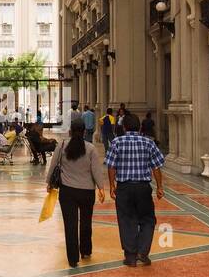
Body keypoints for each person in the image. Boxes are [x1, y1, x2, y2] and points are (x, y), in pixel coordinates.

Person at [105, 112, 166, 267]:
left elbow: (111, 166)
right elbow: (156, 167)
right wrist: (159, 187)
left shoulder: (116, 142)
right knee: (147, 219)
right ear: (139, 127)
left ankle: (130, 256)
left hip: (124, 188)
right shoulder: (148, 142)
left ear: (124, 127)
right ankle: (142, 252)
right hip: (143, 188)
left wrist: (112, 185)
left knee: (126, 220)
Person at [47, 120, 108, 268]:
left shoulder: (62, 146)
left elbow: (53, 165)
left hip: (67, 192)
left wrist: (49, 183)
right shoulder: (91, 149)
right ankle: (86, 250)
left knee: (70, 225)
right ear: (84, 131)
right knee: (86, 222)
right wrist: (101, 187)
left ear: (70, 130)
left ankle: (73, 258)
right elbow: (96, 170)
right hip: (87, 192)